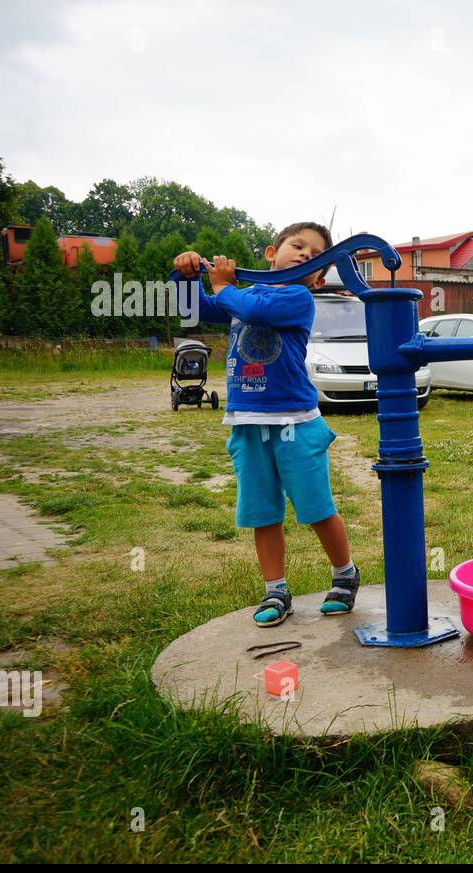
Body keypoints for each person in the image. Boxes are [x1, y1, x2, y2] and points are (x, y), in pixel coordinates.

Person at [172, 222, 360, 627]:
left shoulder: (297, 298)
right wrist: (185, 275)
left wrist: (222, 286)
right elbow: (190, 310)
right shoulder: (242, 294)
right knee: (263, 512)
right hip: (247, 422)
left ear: (318, 277)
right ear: (270, 254)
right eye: (298, 246)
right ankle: (275, 588)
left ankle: (345, 574)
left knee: (316, 509)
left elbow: (256, 311)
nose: (305, 254)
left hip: (297, 422)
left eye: (314, 255)